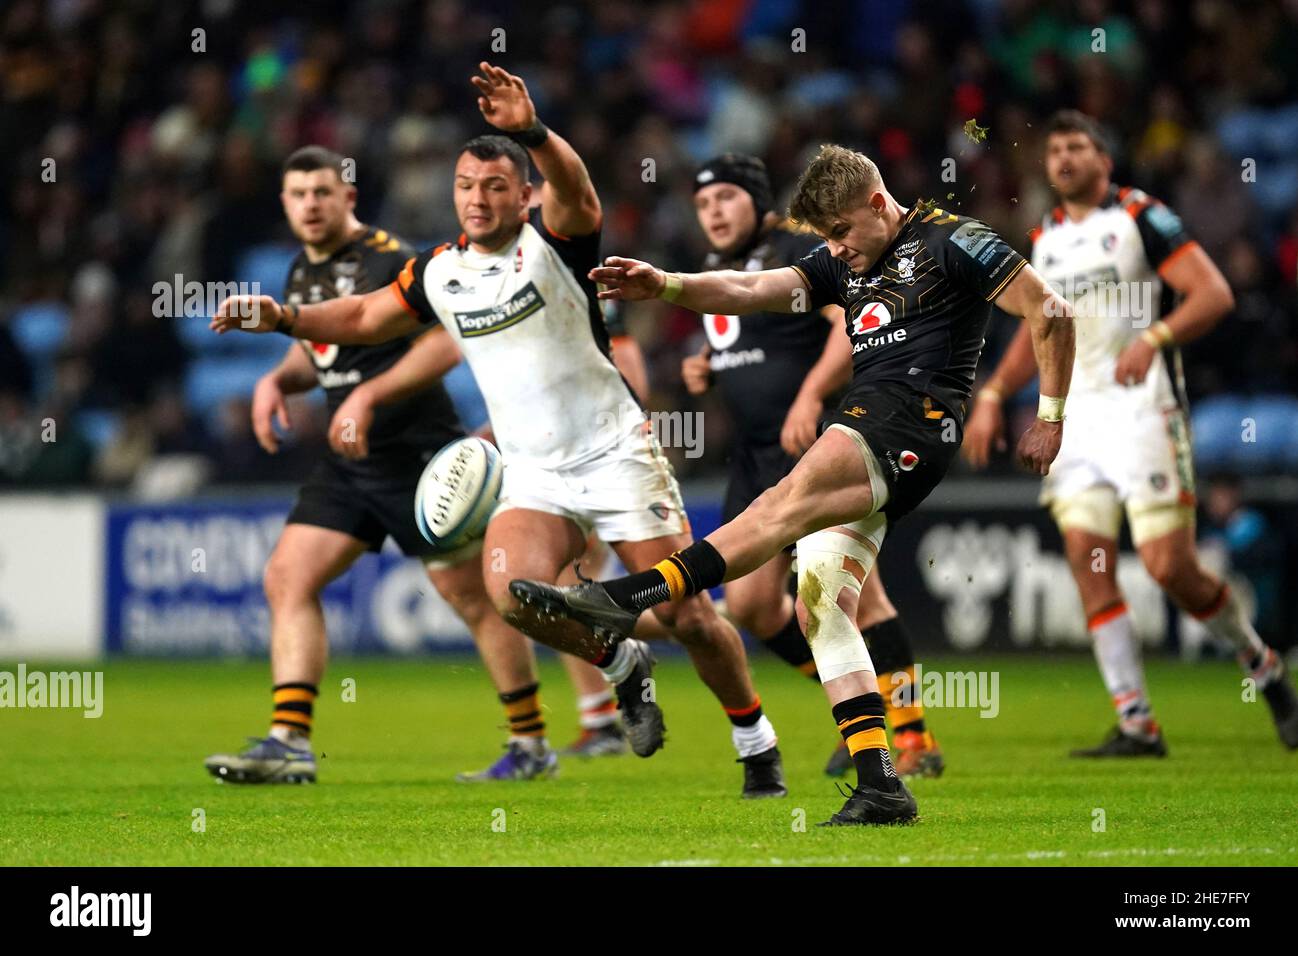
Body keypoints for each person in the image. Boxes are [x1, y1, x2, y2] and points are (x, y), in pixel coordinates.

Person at [212, 63, 787, 799]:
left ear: (523, 195)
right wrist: (283, 317)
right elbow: (358, 317)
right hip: (532, 472)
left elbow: (579, 191)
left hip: (617, 454)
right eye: (465, 186)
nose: (477, 199)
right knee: (514, 594)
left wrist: (534, 132)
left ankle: (754, 738)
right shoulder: (439, 271)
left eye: (493, 186)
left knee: (686, 613)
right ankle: (620, 667)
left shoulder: (558, 244)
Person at [509, 144, 1076, 825]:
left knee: (779, 506)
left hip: (907, 421)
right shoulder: (846, 260)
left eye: (839, 232)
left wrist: (1050, 417)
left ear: (875, 203)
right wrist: (664, 284)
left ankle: (622, 599)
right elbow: (753, 290)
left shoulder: (953, 240)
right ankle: (881, 784)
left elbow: (1051, 311)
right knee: (820, 607)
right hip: (875, 427)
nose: (834, 249)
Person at [205, 145, 558, 785]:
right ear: (284, 205)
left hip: (419, 456)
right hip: (348, 464)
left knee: (474, 601)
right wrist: (275, 382)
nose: (310, 205)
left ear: (349, 199)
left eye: (322, 193)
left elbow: (446, 342)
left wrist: (369, 394)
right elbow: (320, 351)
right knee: (288, 576)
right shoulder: (301, 273)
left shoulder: (387, 260)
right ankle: (289, 741)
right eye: (298, 195)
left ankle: (530, 742)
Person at [963, 110, 1298, 753]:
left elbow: (1213, 293)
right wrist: (997, 392)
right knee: (1090, 564)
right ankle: (1136, 720)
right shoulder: (1048, 237)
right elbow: (1041, 327)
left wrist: (1156, 336)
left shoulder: (1141, 215)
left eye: (1076, 147)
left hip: (1144, 411)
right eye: (1054, 148)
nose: (1061, 158)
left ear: (1104, 159)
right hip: (1073, 420)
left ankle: (1264, 666)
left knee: (1169, 566)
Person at [684, 152, 942, 779]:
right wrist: (706, 365)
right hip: (753, 456)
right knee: (748, 606)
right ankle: (866, 707)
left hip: (812, 445)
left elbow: (848, 323)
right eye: (702, 205)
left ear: (757, 200)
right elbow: (754, 342)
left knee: (854, 598)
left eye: (725, 197)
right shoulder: (723, 267)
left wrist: (808, 395)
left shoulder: (802, 244)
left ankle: (912, 737)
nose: (713, 212)